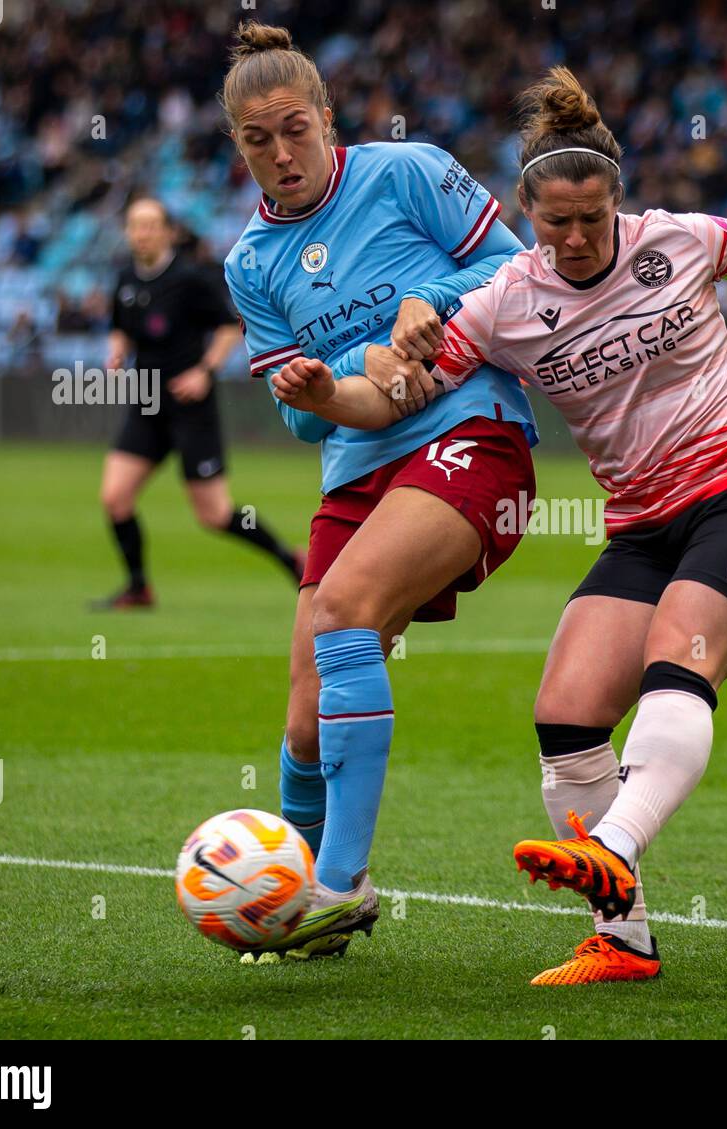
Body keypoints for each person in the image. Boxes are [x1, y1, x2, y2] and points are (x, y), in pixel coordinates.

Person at [279, 67, 727, 984]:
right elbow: (393, 395)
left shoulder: (685, 241)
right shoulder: (505, 302)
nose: (578, 239)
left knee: (679, 657)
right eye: (557, 223)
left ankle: (616, 844)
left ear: (619, 204)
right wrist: (342, 385)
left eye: (593, 219)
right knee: (567, 716)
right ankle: (622, 941)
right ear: (528, 214)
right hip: (642, 526)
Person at [218, 22, 539, 962]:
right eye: (256, 141)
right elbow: (314, 420)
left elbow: (520, 267)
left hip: (470, 433)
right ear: (236, 147)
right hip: (358, 467)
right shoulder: (250, 265)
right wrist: (318, 396)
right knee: (302, 717)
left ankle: (340, 885)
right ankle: (308, 898)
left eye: (294, 130)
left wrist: (429, 303)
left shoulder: (407, 173)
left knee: (347, 610)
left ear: (326, 118)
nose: (281, 154)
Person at [96, 197, 303, 609]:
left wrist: (203, 371)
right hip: (147, 402)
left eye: (152, 224)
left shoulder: (190, 278)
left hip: (190, 408)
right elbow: (121, 330)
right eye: (136, 225)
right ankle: (139, 588)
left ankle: (291, 560)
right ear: (127, 232)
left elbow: (229, 328)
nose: (143, 232)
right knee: (115, 497)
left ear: (168, 231)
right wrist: (116, 353)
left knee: (214, 514)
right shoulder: (124, 279)